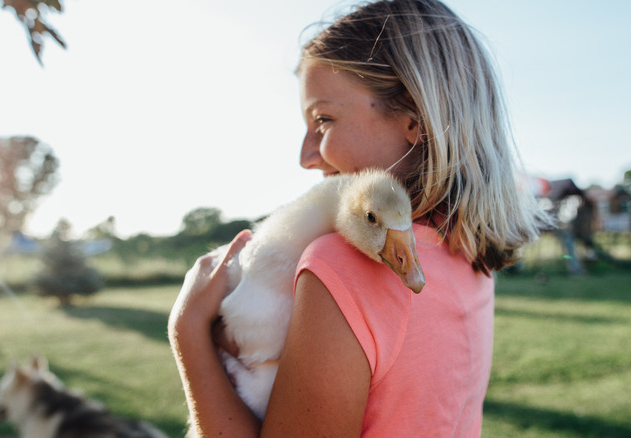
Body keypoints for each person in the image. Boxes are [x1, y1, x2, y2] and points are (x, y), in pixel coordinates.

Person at [168, 0, 549, 436]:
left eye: (324, 119)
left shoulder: (343, 265)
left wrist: (187, 333)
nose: (307, 157)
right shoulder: (467, 251)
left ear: (414, 117)